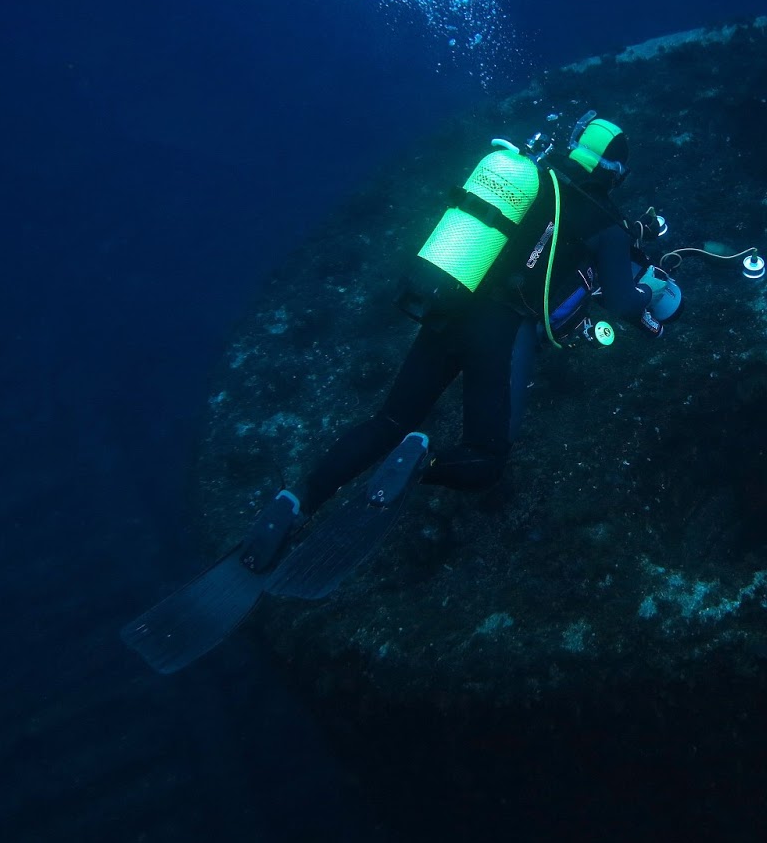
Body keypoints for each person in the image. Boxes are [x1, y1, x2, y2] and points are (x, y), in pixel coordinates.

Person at [121, 112, 675, 673]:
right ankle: (422, 462)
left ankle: (298, 501)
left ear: (573, 146)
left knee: (387, 419)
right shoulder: (605, 220)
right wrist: (652, 320)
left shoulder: (528, 176)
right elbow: (626, 303)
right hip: (499, 331)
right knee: (487, 457)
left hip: (449, 311)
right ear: (617, 172)